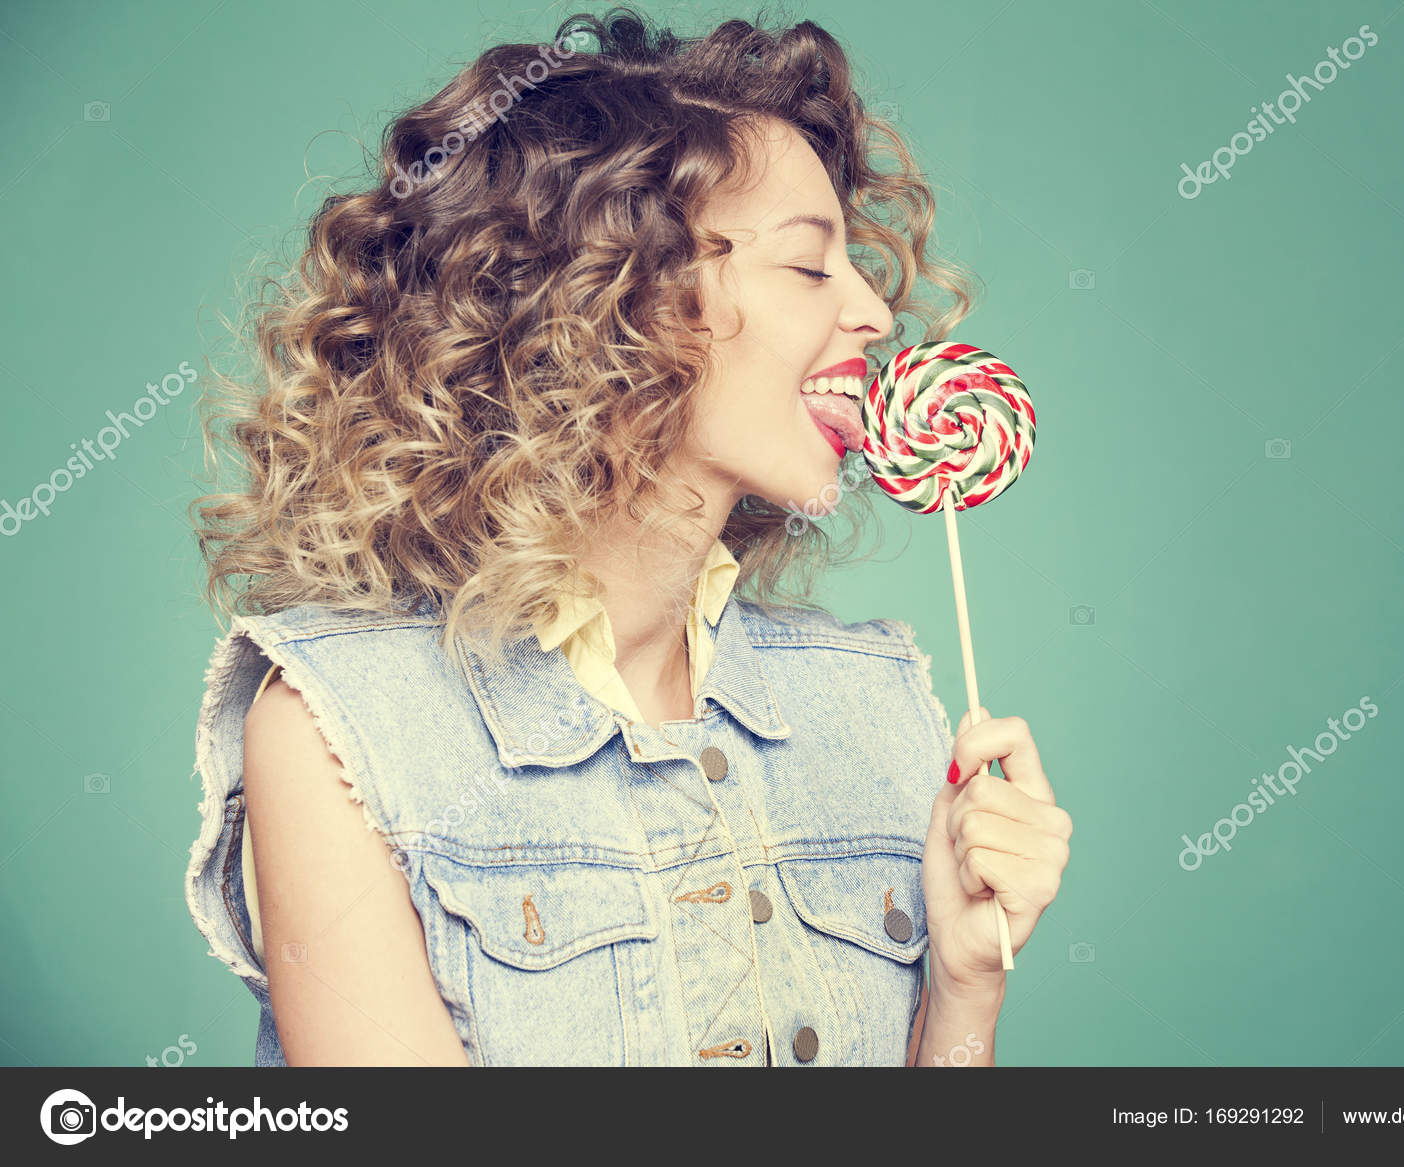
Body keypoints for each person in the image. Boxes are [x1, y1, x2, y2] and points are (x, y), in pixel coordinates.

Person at [183, 6, 1071, 1067]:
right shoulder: (345, 727)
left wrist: (967, 992)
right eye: (805, 266)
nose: (875, 316)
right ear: (615, 300)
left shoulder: (878, 711)